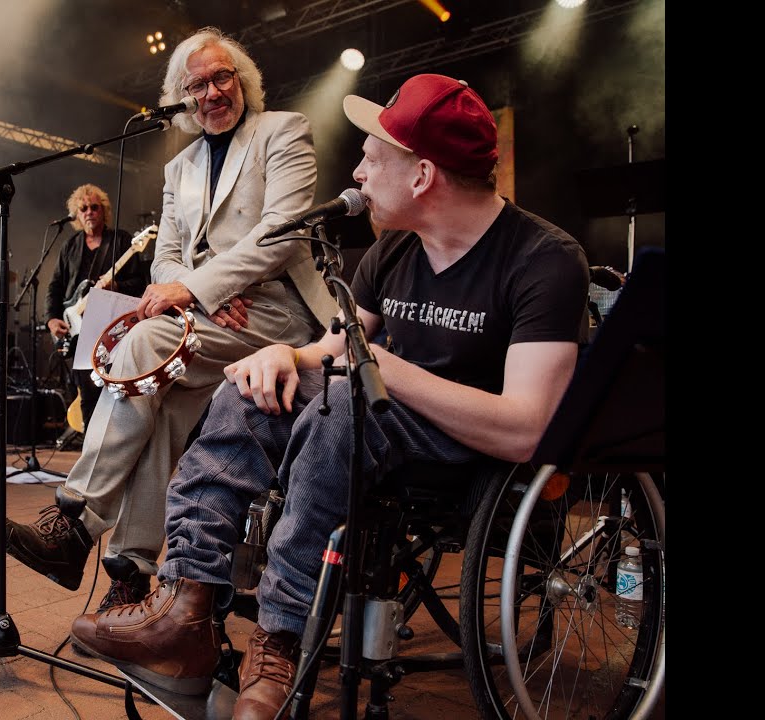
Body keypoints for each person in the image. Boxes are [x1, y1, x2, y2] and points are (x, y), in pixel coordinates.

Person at [66, 73, 590, 719]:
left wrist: (381, 369)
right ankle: (186, 609)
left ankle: (280, 643)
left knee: (338, 406)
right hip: (373, 411)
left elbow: (527, 428)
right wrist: (285, 355)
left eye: (373, 158)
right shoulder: (395, 248)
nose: (359, 172)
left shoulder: (543, 258)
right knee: (252, 388)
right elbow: (340, 347)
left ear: (423, 175)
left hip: (465, 443)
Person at [0, 27, 335, 614]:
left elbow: (280, 234)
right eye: (196, 85)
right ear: (181, 98)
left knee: (145, 340)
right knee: (162, 410)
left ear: (242, 81)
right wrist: (194, 293)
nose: (212, 92)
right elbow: (166, 254)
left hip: (275, 313)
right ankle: (129, 573)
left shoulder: (283, 131)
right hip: (212, 314)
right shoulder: (180, 167)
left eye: (223, 77)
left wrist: (197, 289)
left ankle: (76, 517)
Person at [45, 183, 152, 429]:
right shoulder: (69, 246)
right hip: (79, 329)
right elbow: (55, 287)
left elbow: (140, 283)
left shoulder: (122, 240)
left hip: (113, 326)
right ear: (76, 214)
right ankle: (90, 449)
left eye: (95, 207)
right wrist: (51, 318)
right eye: (83, 208)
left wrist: (115, 285)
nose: (89, 212)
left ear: (103, 210)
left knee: (117, 388)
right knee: (87, 391)